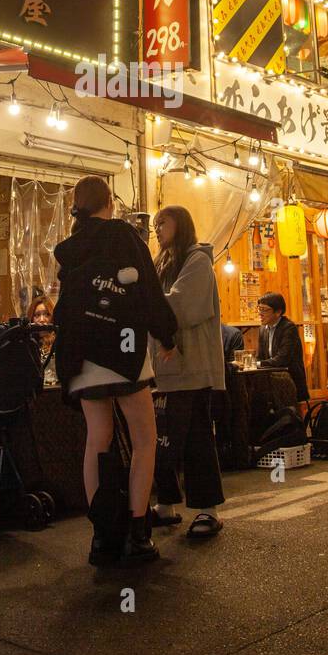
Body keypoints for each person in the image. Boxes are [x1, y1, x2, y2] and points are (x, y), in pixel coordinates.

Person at [53, 175, 177, 565]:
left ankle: (102, 537)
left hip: (84, 356)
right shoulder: (123, 236)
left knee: (98, 439)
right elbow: (149, 292)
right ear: (110, 203)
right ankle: (138, 533)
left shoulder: (72, 247)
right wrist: (167, 336)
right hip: (124, 352)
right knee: (144, 439)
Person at [150, 206, 226, 539]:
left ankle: (206, 509)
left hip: (193, 366)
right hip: (166, 367)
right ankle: (166, 505)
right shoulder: (162, 262)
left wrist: (145, 302)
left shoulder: (197, 260)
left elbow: (181, 306)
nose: (157, 229)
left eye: (162, 223)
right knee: (161, 439)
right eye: (154, 225)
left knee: (196, 437)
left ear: (180, 224)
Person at [256, 293, 309, 414]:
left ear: (278, 312)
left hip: (289, 379)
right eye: (259, 309)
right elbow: (261, 356)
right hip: (271, 379)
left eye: (264, 310)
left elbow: (282, 359)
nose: (260, 313)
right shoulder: (262, 329)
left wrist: (257, 364)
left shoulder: (288, 328)